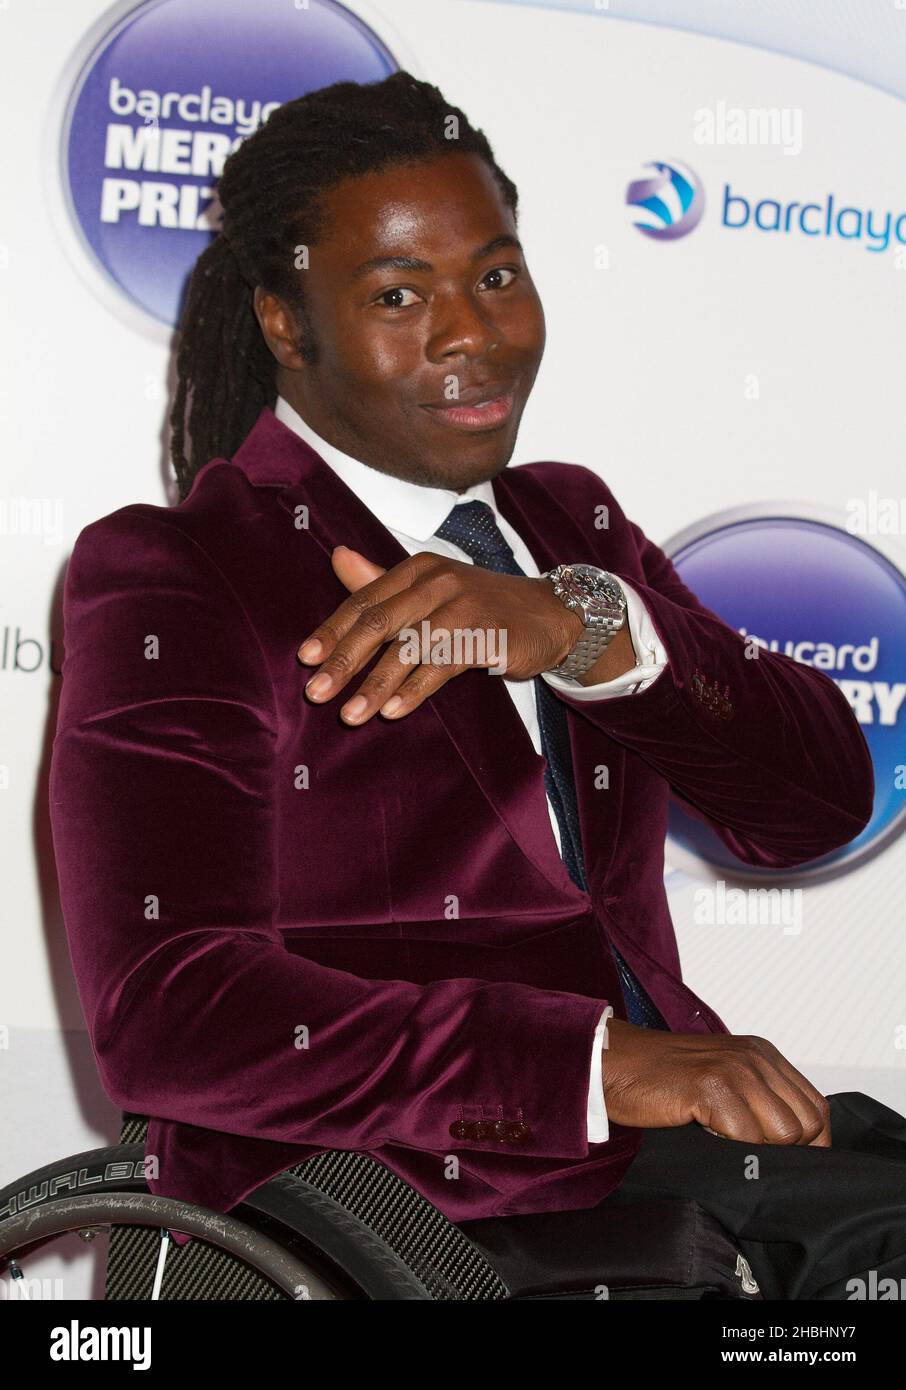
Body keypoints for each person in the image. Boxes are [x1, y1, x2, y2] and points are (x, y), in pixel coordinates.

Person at [49, 72, 904, 1300]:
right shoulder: (181, 572)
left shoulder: (572, 523)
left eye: (497, 275)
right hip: (381, 1231)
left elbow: (816, 802)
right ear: (288, 325)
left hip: (676, 1200)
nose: (473, 335)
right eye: (399, 296)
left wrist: (585, 630)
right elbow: (175, 1012)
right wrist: (593, 1065)